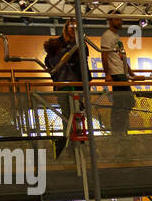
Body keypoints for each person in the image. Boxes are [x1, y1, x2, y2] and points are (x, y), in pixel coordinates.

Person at [43, 18, 90, 156]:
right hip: (67, 84)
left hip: (76, 83)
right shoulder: (60, 47)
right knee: (69, 114)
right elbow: (57, 59)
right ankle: (70, 141)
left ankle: (76, 139)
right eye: (71, 26)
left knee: (76, 113)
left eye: (75, 26)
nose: (73, 28)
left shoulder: (77, 44)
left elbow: (84, 61)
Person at [100, 15, 135, 135]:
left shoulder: (116, 36)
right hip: (116, 73)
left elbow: (121, 56)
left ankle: (120, 128)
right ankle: (118, 129)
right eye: (116, 19)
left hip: (121, 72)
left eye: (120, 19)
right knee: (124, 102)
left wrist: (130, 72)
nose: (120, 22)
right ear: (109, 20)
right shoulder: (107, 36)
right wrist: (107, 74)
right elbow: (104, 55)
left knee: (126, 102)